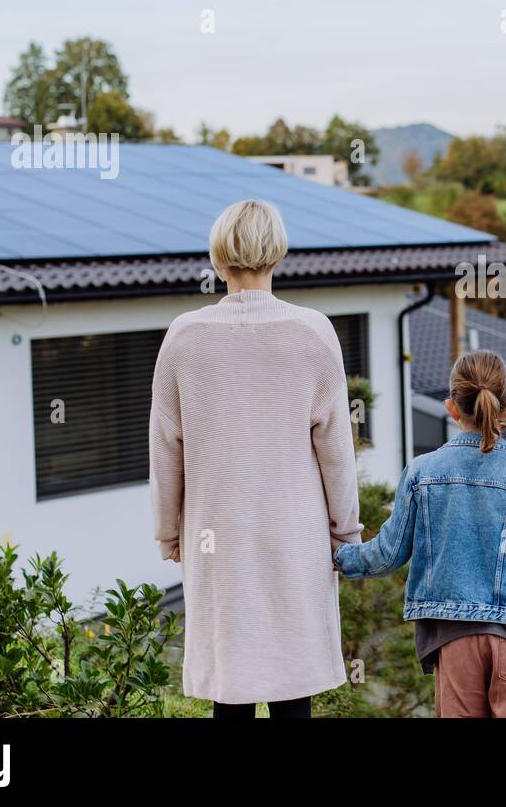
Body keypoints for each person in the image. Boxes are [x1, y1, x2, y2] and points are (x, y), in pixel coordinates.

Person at [150, 199, 361, 719]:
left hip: (215, 535)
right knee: (294, 688)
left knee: (232, 686)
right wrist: (346, 531)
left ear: (219, 257)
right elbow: (336, 449)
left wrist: (168, 532)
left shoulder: (184, 335)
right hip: (296, 534)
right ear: (277, 253)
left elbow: (165, 444)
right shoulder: (313, 332)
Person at [334, 349, 506, 717]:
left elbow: (386, 555)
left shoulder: (421, 474)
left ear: (452, 408)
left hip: (454, 639)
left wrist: (339, 554)